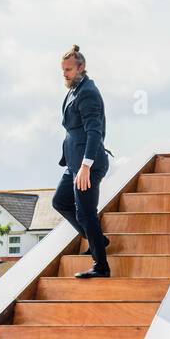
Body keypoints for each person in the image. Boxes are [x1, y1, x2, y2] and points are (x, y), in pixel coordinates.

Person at [52, 44, 112, 279]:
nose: (65, 74)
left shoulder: (88, 92)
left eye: (68, 70)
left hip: (89, 164)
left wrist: (86, 165)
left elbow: (95, 131)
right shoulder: (74, 89)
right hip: (74, 164)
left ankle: (101, 266)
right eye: (63, 70)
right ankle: (98, 239)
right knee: (60, 201)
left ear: (81, 67)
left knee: (86, 213)